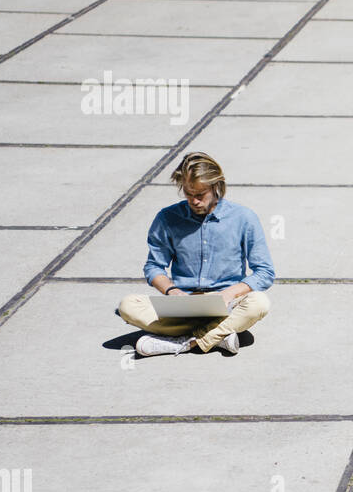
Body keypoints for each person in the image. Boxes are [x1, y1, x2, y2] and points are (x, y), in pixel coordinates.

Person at [116, 152, 274, 357]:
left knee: (259, 303)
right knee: (127, 306)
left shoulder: (244, 218)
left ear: (216, 186)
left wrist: (229, 294)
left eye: (200, 195)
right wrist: (172, 291)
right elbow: (153, 267)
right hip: (183, 303)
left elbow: (265, 272)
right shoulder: (167, 218)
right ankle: (219, 336)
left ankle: (183, 343)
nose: (194, 201)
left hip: (226, 303)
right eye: (189, 194)